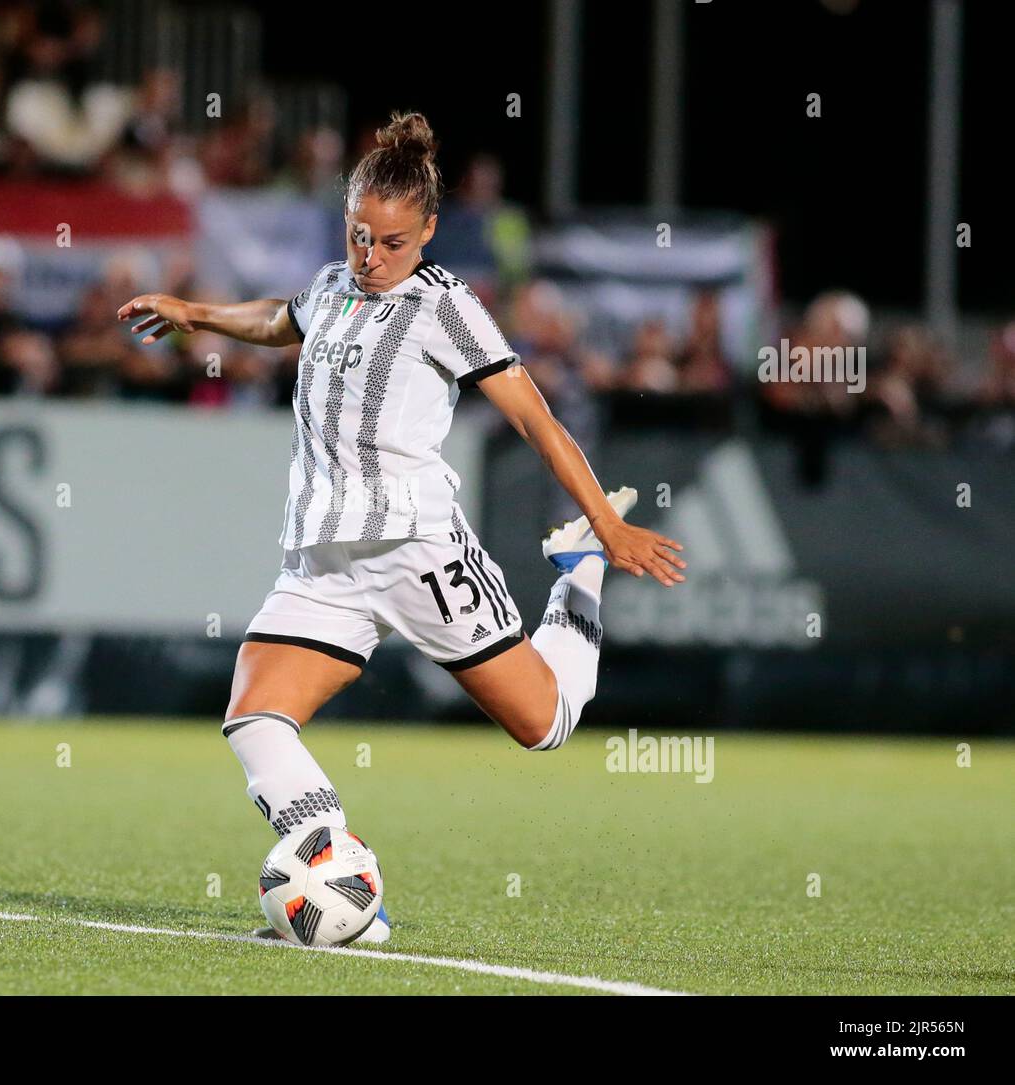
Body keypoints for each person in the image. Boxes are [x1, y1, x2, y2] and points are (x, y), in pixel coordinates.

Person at [117, 112, 686, 943]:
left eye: (390, 242)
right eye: (358, 237)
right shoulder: (332, 286)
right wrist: (195, 313)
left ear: (426, 231)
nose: (370, 258)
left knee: (545, 723)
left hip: (418, 550)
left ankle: (581, 566)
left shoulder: (444, 306)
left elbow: (537, 420)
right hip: (322, 558)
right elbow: (283, 320)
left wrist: (605, 519)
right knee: (253, 716)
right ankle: (347, 884)